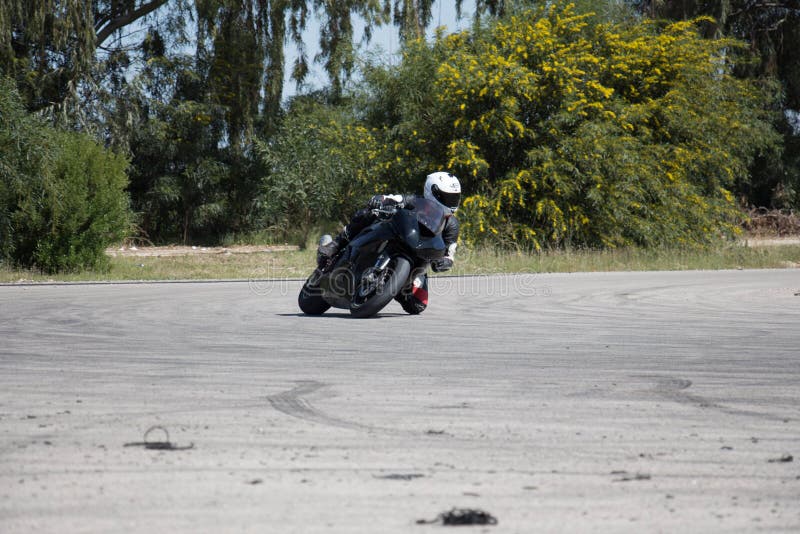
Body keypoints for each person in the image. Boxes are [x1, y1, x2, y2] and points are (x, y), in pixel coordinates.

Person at [317, 171, 461, 314]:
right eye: (448, 197)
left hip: (419, 258)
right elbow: (396, 198)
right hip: (398, 239)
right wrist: (382, 199)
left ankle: (395, 286)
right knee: (369, 213)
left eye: (455, 198)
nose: (452, 203)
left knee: (417, 305)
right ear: (432, 191)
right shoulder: (415, 201)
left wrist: (446, 261)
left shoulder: (452, 224)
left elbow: (450, 250)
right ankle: (337, 244)